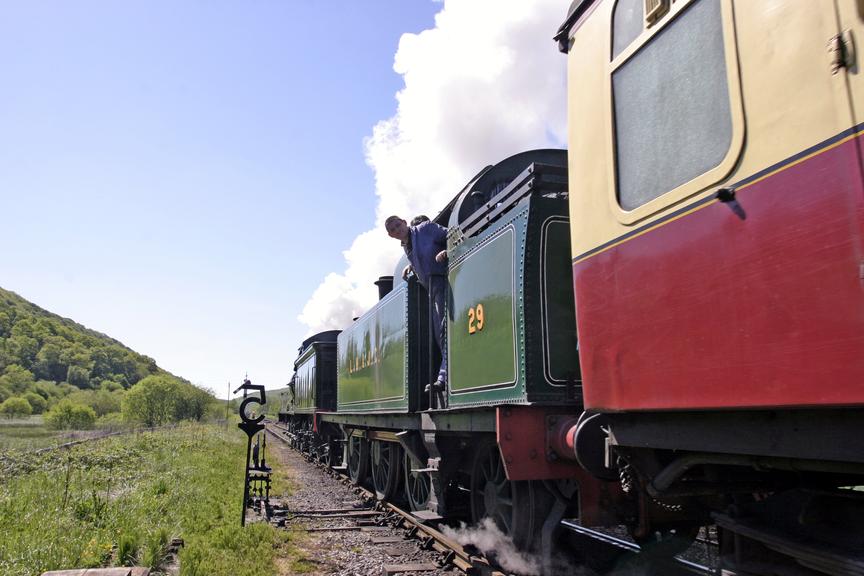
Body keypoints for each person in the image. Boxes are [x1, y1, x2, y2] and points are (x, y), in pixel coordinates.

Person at [385, 215, 448, 393]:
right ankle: (443, 376)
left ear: (404, 222)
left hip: (443, 280)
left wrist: (447, 251)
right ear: (391, 236)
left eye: (398, 225)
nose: (398, 229)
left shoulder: (425, 228)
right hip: (432, 288)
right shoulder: (407, 246)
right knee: (438, 333)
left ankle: (443, 378)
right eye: (393, 229)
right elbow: (424, 254)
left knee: (443, 331)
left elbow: (451, 235)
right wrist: (412, 266)